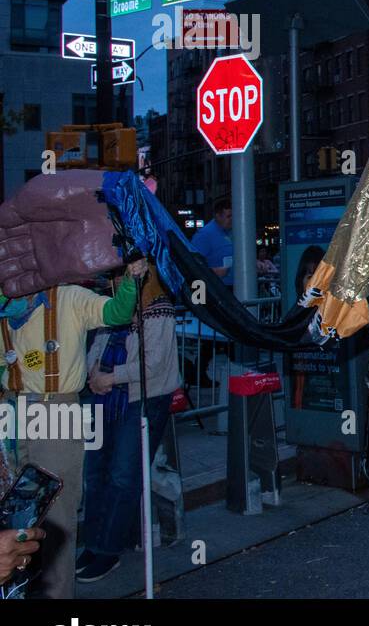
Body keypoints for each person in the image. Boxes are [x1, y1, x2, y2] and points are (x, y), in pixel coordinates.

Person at [0, 257, 145, 598]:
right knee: (12, 510)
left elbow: (116, 315)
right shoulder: (6, 307)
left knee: (56, 511)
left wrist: (129, 281)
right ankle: (19, 589)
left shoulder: (69, 297)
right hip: (10, 411)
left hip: (56, 410)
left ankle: (57, 595)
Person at [78, 265, 180, 583]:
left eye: (127, 274)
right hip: (105, 397)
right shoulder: (114, 305)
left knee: (123, 475)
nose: (120, 280)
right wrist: (93, 375)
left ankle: (109, 550)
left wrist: (110, 377)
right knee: (94, 473)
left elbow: (154, 362)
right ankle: (93, 543)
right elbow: (97, 344)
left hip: (143, 400)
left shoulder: (159, 308)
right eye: (117, 275)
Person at [190, 196, 234, 288]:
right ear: (218, 216)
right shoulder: (204, 235)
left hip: (237, 286)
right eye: (229, 216)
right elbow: (193, 264)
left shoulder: (235, 231)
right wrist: (213, 271)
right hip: (216, 289)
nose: (232, 219)